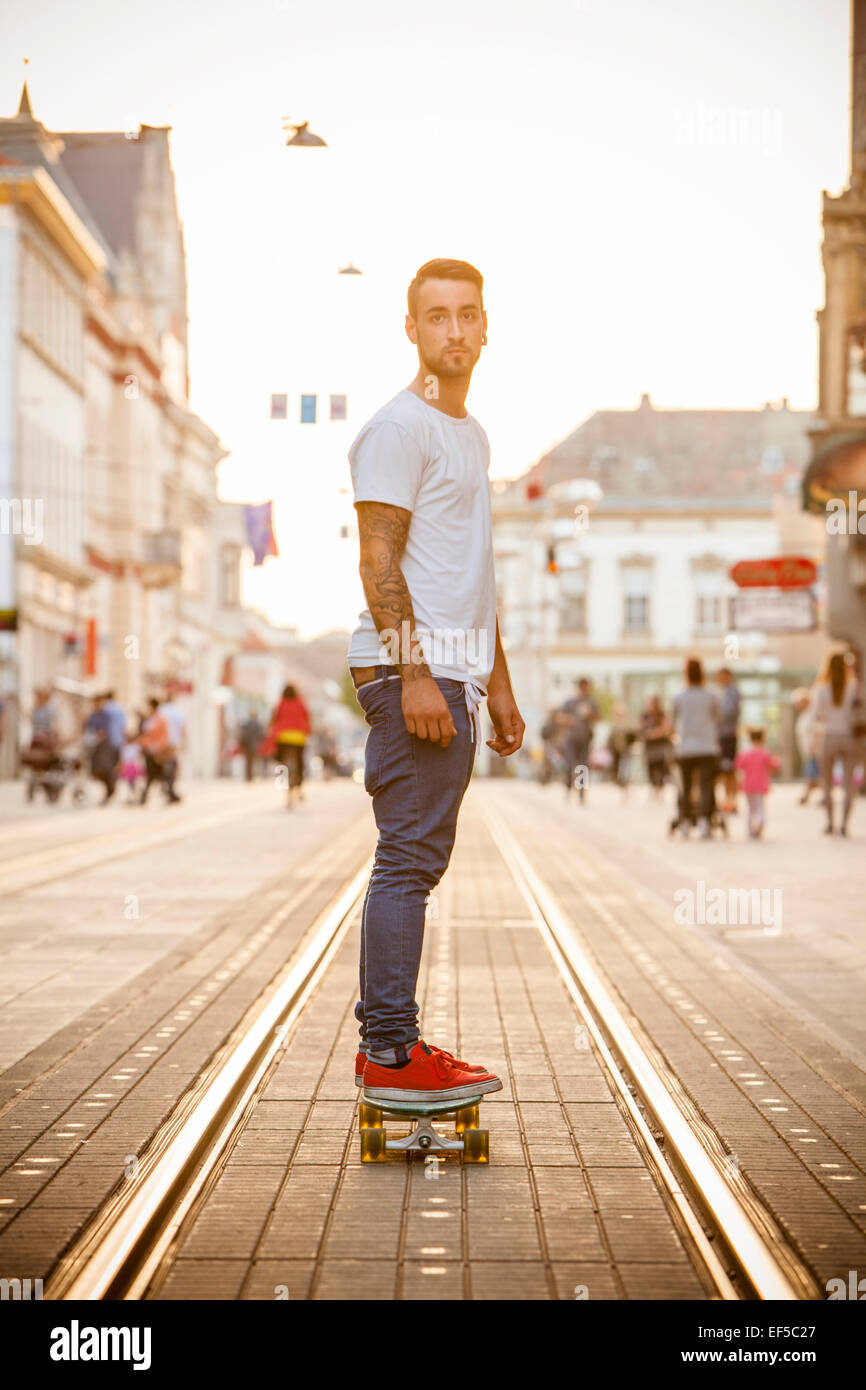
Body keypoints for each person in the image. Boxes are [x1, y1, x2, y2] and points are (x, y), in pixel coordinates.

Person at [348, 257, 522, 1105]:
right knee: (407, 861)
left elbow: (473, 571)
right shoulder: (399, 428)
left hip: (455, 670)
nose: (454, 330)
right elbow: (377, 559)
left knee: (418, 858)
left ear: (486, 327)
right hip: (408, 669)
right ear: (411, 330)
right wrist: (415, 674)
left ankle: (393, 1042)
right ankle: (388, 1051)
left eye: (467, 315)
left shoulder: (471, 433)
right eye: (436, 317)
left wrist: (502, 682)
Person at [810, 651, 862, 836]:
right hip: (849, 738)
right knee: (849, 784)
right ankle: (844, 825)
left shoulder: (822, 688)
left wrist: (828, 718)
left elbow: (814, 716)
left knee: (827, 783)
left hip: (829, 737)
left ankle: (830, 823)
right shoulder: (854, 687)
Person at [671, 656, 720, 839]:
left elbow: (672, 720)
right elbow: (718, 718)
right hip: (707, 746)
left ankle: (684, 821)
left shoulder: (679, 696)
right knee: (707, 786)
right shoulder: (711, 695)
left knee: (685, 786)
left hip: (685, 747)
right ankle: (704, 822)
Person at [734, 728, 780, 839]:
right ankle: (759, 823)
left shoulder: (745, 754)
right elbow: (775, 765)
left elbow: (737, 766)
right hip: (760, 786)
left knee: (750, 809)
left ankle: (750, 830)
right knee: (760, 807)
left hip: (748, 786)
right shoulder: (765, 754)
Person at [559, 678, 600, 802]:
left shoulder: (591, 702)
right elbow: (559, 717)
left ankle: (582, 793)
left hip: (585, 738)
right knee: (569, 764)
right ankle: (568, 790)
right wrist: (569, 720)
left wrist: (589, 715)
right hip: (571, 738)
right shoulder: (570, 702)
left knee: (583, 766)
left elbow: (598, 718)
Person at [269, 685, 311, 806]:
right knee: (299, 762)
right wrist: (308, 731)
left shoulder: (281, 702)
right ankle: (300, 786)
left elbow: (275, 717)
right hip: (299, 737)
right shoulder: (301, 702)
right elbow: (307, 717)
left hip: (283, 736)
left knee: (281, 760)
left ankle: (282, 778)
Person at [138, 697, 179, 805]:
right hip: (149, 751)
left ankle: (169, 793)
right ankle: (146, 796)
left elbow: (163, 736)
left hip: (158, 751)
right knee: (151, 775)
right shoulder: (149, 719)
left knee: (164, 774)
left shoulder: (160, 720)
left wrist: (160, 748)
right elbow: (145, 735)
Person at [715, 667, 741, 814]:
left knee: (729, 770)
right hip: (723, 736)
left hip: (728, 736)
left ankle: (731, 801)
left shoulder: (732, 692)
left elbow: (727, 712)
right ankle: (727, 801)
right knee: (725, 771)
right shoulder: (723, 692)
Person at [84, 694, 118, 804]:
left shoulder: (106, 715)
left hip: (104, 745)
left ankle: (110, 789)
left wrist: (98, 736)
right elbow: (88, 728)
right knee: (96, 770)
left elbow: (105, 731)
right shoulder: (92, 715)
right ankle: (109, 788)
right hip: (94, 745)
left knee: (105, 768)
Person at [793, 687, 821, 805]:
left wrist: (814, 746)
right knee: (814, 774)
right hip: (807, 750)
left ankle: (807, 796)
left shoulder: (813, 714)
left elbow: (817, 731)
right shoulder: (803, 715)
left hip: (814, 749)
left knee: (812, 773)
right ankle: (811, 795)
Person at [641, 694, 673, 797]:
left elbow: (667, 729)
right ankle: (654, 788)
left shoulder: (662, 715)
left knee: (660, 767)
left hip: (660, 746)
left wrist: (654, 733)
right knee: (651, 768)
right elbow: (641, 729)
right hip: (649, 746)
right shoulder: (645, 716)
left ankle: (659, 788)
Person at [158, 695, 186, 803]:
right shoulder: (178, 711)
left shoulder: (161, 710)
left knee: (165, 765)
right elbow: (183, 727)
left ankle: (167, 787)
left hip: (163, 743)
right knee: (172, 766)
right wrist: (184, 743)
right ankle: (169, 787)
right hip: (173, 742)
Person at [239, 712, 265, 782]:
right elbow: (261, 735)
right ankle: (251, 776)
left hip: (247, 745)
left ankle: (248, 776)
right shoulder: (258, 724)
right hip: (255, 745)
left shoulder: (246, 724)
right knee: (252, 761)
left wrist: (242, 743)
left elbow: (243, 734)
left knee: (248, 761)